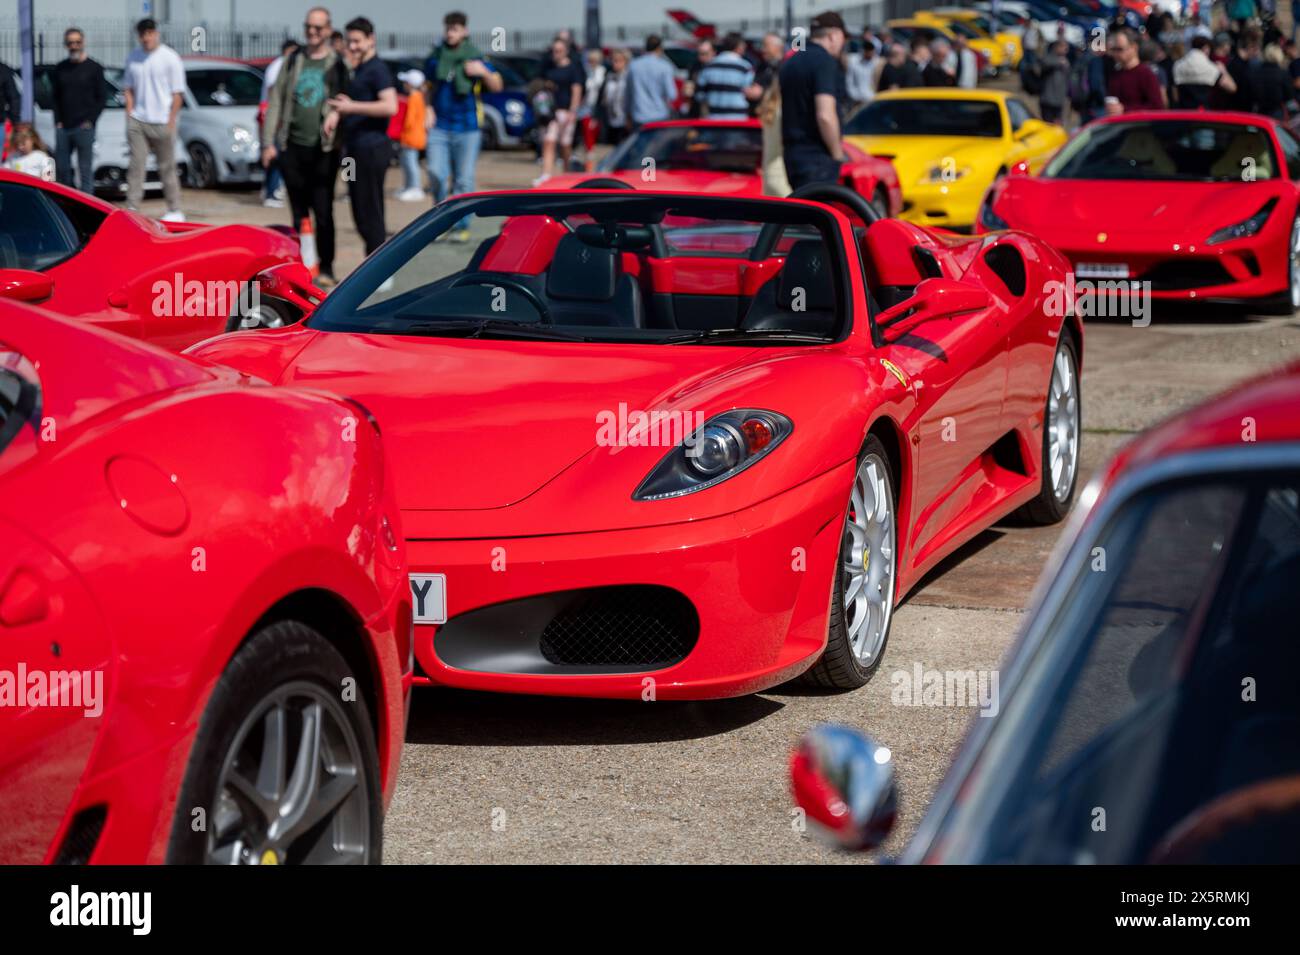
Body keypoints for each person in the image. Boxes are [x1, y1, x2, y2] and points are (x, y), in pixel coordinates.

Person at [262, 6, 349, 287]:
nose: (312, 33)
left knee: (323, 211)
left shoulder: (337, 63)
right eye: (308, 27)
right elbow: (275, 101)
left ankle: (327, 266)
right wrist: (268, 143)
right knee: (298, 211)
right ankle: (304, 266)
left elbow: (347, 100)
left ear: (328, 29)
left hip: (323, 149)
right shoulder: (293, 61)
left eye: (318, 28)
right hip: (292, 146)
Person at [425, 11, 503, 240]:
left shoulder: (475, 56)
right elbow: (427, 86)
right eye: (448, 28)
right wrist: (428, 108)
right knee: (436, 173)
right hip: (440, 126)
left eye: (456, 29)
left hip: (467, 127)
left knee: (464, 178)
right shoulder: (436, 57)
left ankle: (461, 225)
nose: (451, 33)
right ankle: (440, 219)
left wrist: (482, 72)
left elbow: (497, 85)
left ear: (465, 31)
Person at [328, 17, 396, 258]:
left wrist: (352, 108)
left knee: (371, 209)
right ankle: (372, 263)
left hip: (372, 147)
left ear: (371, 39)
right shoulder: (357, 68)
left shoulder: (377, 69)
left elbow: (390, 106)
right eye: (349, 41)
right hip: (354, 149)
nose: (352, 46)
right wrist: (337, 114)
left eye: (357, 41)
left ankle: (380, 268)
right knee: (358, 207)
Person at [122, 18, 186, 221]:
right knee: (136, 166)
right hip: (138, 120)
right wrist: (130, 113)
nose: (146, 37)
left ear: (156, 33)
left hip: (162, 121)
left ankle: (174, 209)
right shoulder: (133, 57)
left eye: (149, 33)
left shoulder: (170, 57)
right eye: (142, 34)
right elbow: (128, 89)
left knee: (167, 166)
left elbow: (178, 93)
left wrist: (171, 119)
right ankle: (132, 208)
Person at [779, 10, 848, 190]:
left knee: (802, 212)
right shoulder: (824, 62)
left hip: (792, 154)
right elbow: (825, 115)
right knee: (821, 214)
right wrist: (837, 153)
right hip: (817, 156)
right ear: (834, 35)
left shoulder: (791, 62)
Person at [49, 28, 106, 193]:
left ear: (83, 42)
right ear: (66, 45)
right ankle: (66, 206)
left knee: (85, 170)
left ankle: (87, 206)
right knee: (63, 170)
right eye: (70, 43)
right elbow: (55, 97)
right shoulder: (60, 68)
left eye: (77, 42)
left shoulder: (94, 68)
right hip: (63, 127)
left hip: (84, 127)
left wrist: (90, 121)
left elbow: (101, 98)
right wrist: (58, 121)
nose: (74, 46)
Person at [258, 38, 299, 208]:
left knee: (273, 153)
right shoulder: (281, 65)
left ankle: (269, 189)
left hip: (273, 115)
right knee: (275, 153)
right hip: (274, 116)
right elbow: (274, 92)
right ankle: (272, 192)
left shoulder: (280, 64)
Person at [538, 37, 584, 180]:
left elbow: (577, 89)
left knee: (565, 144)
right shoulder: (549, 68)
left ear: (566, 51)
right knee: (549, 141)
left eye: (559, 50)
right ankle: (546, 174)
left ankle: (566, 172)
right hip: (552, 111)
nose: (556, 53)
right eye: (554, 50)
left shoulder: (573, 68)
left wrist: (573, 111)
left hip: (566, 111)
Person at [695, 32, 756, 118]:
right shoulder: (745, 67)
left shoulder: (709, 66)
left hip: (713, 118)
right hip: (738, 119)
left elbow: (699, 95)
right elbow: (750, 93)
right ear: (739, 47)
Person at [1106, 27, 1166, 113]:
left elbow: (1157, 107)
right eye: (1113, 50)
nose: (1115, 54)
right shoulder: (1115, 75)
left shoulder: (1146, 74)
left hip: (1140, 125)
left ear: (1134, 47)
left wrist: (1125, 109)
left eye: (1120, 49)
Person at [625, 35, 678, 130]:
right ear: (659, 48)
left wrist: (627, 114)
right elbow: (672, 95)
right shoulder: (665, 66)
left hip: (639, 115)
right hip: (659, 115)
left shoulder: (633, 66)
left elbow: (628, 93)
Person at [1174, 35, 1237, 108]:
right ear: (1205, 49)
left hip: (1184, 113)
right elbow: (1232, 88)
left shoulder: (1177, 65)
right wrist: (1224, 70)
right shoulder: (1211, 67)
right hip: (1202, 112)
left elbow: (1176, 96)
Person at [393, 69, 427, 201]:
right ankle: (408, 186)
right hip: (411, 137)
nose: (403, 84)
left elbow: (410, 120)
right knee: (406, 163)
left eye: (406, 82)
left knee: (411, 163)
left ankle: (415, 188)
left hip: (411, 137)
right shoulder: (417, 96)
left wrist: (400, 132)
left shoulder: (414, 97)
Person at [578, 48, 606, 169]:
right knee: (587, 128)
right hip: (586, 106)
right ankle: (589, 154)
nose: (592, 63)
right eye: (590, 60)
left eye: (594, 60)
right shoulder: (586, 72)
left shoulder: (602, 72)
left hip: (598, 106)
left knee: (594, 129)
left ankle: (591, 153)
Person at [598, 48, 632, 145]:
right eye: (613, 60)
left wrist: (629, 117)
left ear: (626, 62)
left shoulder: (629, 77)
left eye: (618, 61)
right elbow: (603, 97)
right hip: (611, 117)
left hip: (624, 118)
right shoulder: (609, 76)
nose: (614, 63)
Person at [1256, 44, 1293, 118]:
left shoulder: (1257, 71)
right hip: (1276, 111)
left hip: (1260, 110)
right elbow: (1289, 95)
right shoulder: (1282, 73)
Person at [1038, 39, 1070, 123]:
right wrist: (1059, 62)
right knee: (1048, 125)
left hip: (1059, 100)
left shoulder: (1065, 60)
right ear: (1057, 47)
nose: (1066, 51)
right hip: (1047, 100)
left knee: (1058, 125)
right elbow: (1044, 64)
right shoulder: (1049, 57)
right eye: (1064, 48)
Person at [845, 31, 878, 107]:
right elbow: (849, 81)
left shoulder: (876, 63)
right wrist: (856, 97)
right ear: (864, 52)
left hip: (873, 99)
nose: (870, 55)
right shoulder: (854, 62)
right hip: (857, 100)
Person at [686, 38, 716, 117]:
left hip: (713, 110)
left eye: (704, 54)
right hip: (697, 111)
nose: (701, 57)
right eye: (699, 54)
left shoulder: (718, 69)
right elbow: (689, 88)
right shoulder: (694, 67)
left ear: (713, 53)